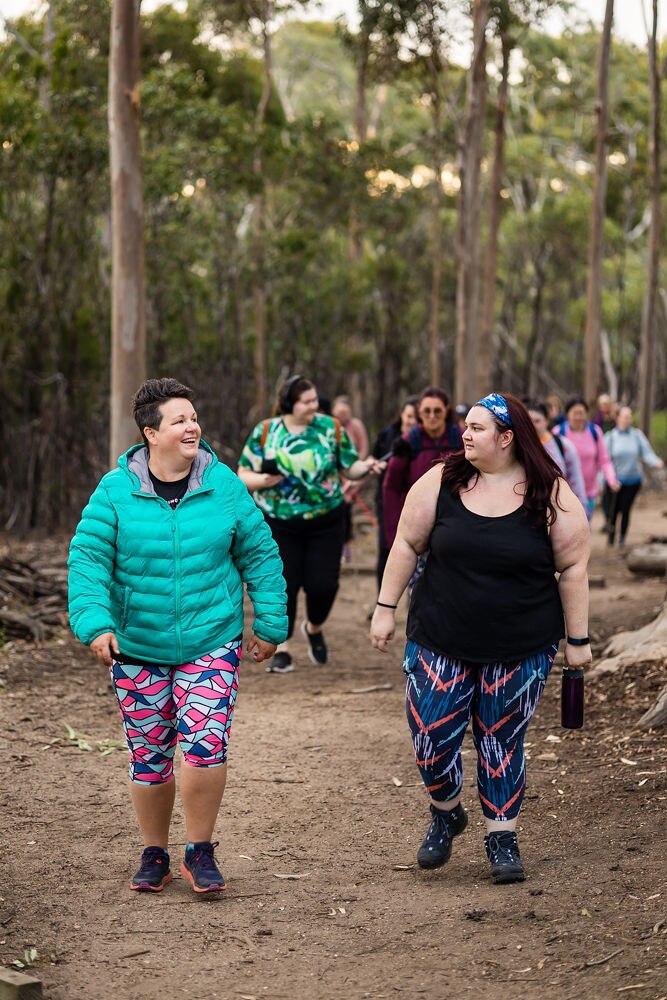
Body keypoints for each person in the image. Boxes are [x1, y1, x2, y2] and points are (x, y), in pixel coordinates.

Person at [68, 377, 288, 895]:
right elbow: (88, 560)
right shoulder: (115, 491)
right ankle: (154, 852)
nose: (193, 427)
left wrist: (271, 623)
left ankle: (200, 849)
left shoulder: (224, 485)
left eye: (194, 417)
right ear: (151, 432)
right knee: (149, 754)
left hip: (210, 639)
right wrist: (95, 624)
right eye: (180, 420)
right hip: (137, 645)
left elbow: (259, 553)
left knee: (206, 742)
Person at [370, 392, 591, 885]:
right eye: (464, 426)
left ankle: (502, 838)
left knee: (501, 740)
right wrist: (385, 608)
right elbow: (406, 542)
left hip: (521, 644)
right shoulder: (442, 479)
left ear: (508, 437)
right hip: (440, 637)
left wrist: (579, 638)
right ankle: (446, 811)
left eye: (476, 428)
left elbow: (574, 566)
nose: (464, 434)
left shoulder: (548, 491)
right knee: (431, 736)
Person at [237, 375, 383, 674]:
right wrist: (263, 480)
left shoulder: (330, 428)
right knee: (284, 584)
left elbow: (349, 467)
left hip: (326, 520)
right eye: (306, 401)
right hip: (278, 521)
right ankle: (284, 646)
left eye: (315, 400)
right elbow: (243, 473)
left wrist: (365, 467)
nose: (313, 406)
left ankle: (313, 628)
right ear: (290, 402)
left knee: (323, 585)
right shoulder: (267, 431)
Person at [382, 386, 463, 551]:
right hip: (417, 519)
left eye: (437, 411)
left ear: (447, 410)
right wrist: (394, 535)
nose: (432, 417)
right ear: (419, 411)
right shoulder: (408, 441)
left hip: (455, 519)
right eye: (427, 411)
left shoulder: (460, 438)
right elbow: (391, 487)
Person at [371, 395, 419, 592]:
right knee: (386, 549)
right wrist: (376, 465)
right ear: (402, 415)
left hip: (413, 501)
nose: (412, 421)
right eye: (409, 416)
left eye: (416, 417)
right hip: (387, 501)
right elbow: (373, 458)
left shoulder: (421, 440)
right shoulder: (387, 435)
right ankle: (382, 597)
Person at [604, 405, 664, 548]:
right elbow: (604, 461)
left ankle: (622, 538)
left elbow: (646, 453)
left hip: (633, 480)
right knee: (613, 510)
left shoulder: (637, 435)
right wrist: (603, 481)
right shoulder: (610, 437)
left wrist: (656, 462)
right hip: (615, 482)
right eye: (625, 416)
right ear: (617, 418)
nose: (628, 419)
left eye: (630, 416)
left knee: (626, 509)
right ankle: (611, 536)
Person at [553, 396, 619, 521]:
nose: (579, 417)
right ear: (568, 414)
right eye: (575, 413)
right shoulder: (558, 432)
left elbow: (604, 460)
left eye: (582, 413)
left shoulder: (595, 431)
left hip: (589, 493)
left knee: (585, 525)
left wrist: (611, 479)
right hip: (564, 493)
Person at [525, 399, 587, 511]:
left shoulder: (564, 446)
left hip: (559, 508)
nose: (532, 425)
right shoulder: (519, 447)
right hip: (527, 509)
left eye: (537, 421)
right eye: (528, 421)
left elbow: (576, 479)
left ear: (546, 421)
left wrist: (580, 507)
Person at [332, 395, 370, 562]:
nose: (342, 414)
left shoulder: (356, 426)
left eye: (345, 411)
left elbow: (363, 448)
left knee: (346, 509)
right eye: (339, 411)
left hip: (353, 474)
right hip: (334, 477)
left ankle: (345, 545)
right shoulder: (330, 426)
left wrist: (354, 470)